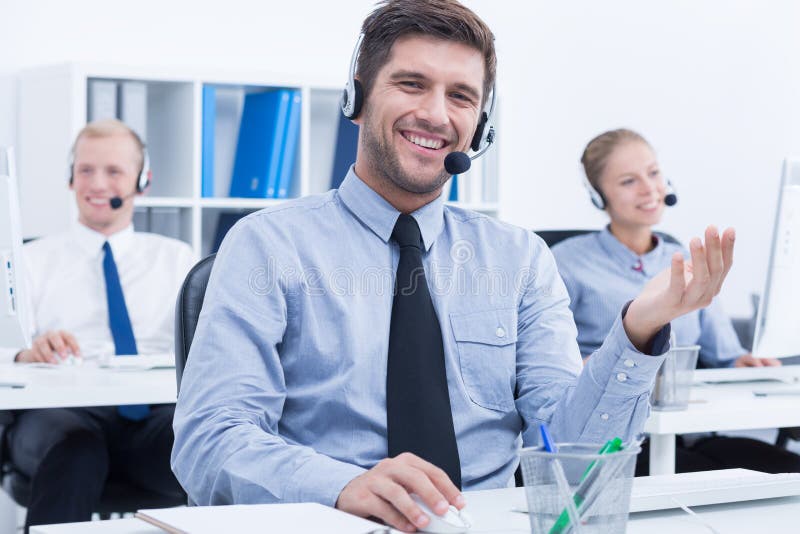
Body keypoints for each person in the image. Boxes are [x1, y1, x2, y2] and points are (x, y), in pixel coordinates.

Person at [171, 2, 734, 532]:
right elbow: (209, 441)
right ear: (358, 97)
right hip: (332, 522)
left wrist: (637, 330)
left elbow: (571, 452)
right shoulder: (267, 246)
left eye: (461, 96)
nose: (436, 114)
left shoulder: (520, 259)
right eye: (412, 83)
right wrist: (342, 485)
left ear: (481, 126)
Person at [551, 127, 800, 475]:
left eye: (653, 173)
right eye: (628, 181)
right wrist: (598, 362)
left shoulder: (685, 259)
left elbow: (724, 355)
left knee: (786, 472)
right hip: (612, 440)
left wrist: (748, 364)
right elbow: (550, 368)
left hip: (685, 430)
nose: (650, 188)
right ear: (598, 195)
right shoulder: (563, 264)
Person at [0, 119, 195, 530]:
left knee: (201, 443)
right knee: (77, 449)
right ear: (71, 178)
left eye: (114, 171)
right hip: (58, 416)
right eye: (86, 170)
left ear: (142, 181)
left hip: (150, 418)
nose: (97, 184)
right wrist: (25, 351)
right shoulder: (29, 261)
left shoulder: (177, 259)